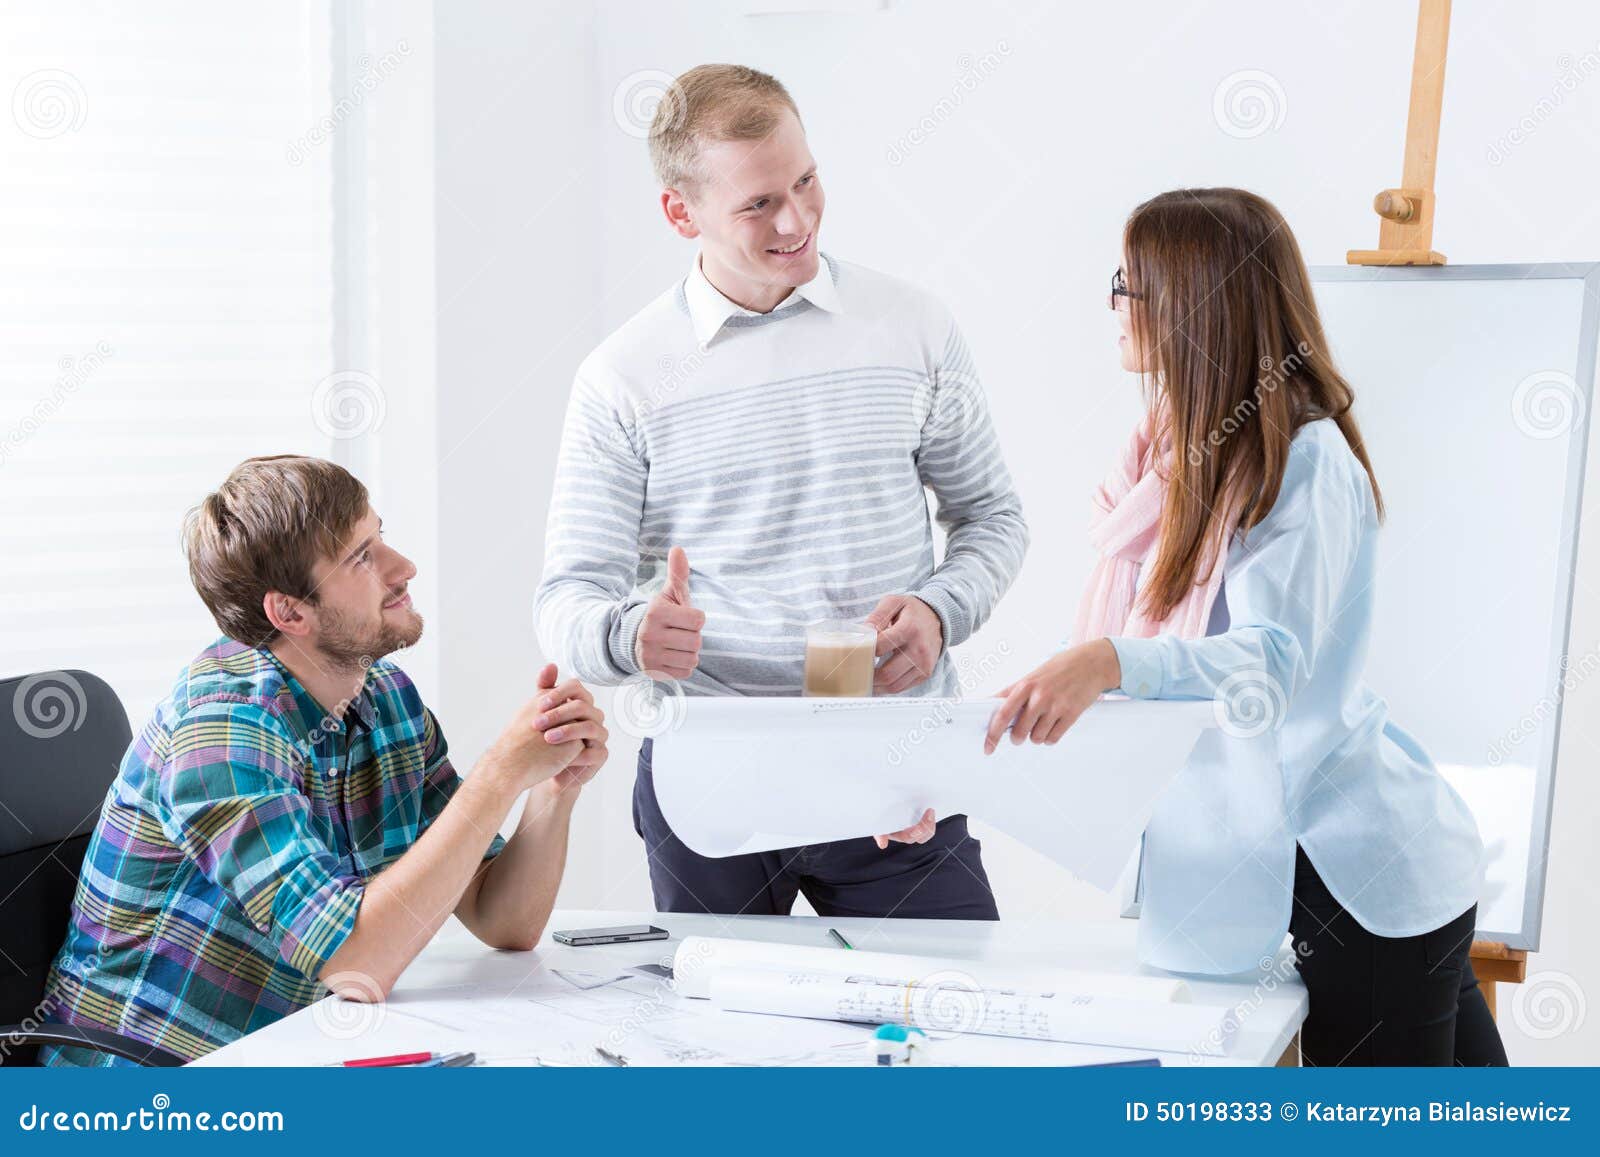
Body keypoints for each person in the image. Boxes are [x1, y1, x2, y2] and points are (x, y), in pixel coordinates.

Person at [985, 188, 1506, 1066]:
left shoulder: (1302, 459)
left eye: (1129, 284)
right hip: (1273, 866)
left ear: (1190, 306)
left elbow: (1269, 661)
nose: (1114, 305)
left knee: (1391, 1127)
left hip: (1356, 875)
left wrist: (1111, 661)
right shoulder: (1168, 460)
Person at [534, 64, 1028, 919]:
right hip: (710, 779)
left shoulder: (912, 326)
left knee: (957, 1001)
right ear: (681, 213)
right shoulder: (622, 378)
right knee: (720, 1012)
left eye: (805, 181)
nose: (797, 220)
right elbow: (566, 598)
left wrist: (940, 610)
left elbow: (993, 517)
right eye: (758, 203)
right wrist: (629, 634)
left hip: (891, 772)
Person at [40, 455, 608, 1064]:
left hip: (285, 1055)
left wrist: (550, 786)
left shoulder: (385, 697)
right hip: (151, 1085)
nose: (403, 567)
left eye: (380, 536)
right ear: (290, 612)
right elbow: (359, 964)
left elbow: (504, 921)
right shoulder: (220, 734)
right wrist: (498, 775)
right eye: (361, 557)